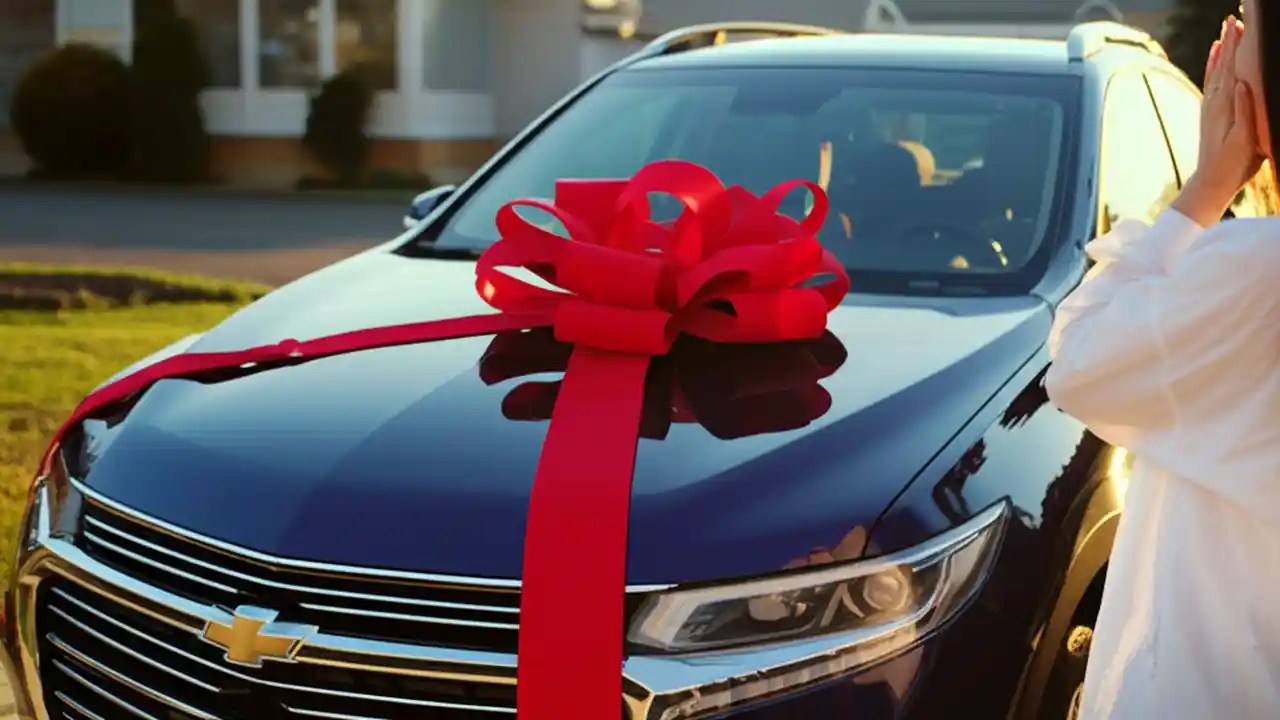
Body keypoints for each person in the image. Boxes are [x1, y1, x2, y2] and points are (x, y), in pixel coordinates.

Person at [1046, 2, 1280, 718]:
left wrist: (1206, 187)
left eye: (1246, 24)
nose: (1229, 48)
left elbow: (1078, 365)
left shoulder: (1256, 269)